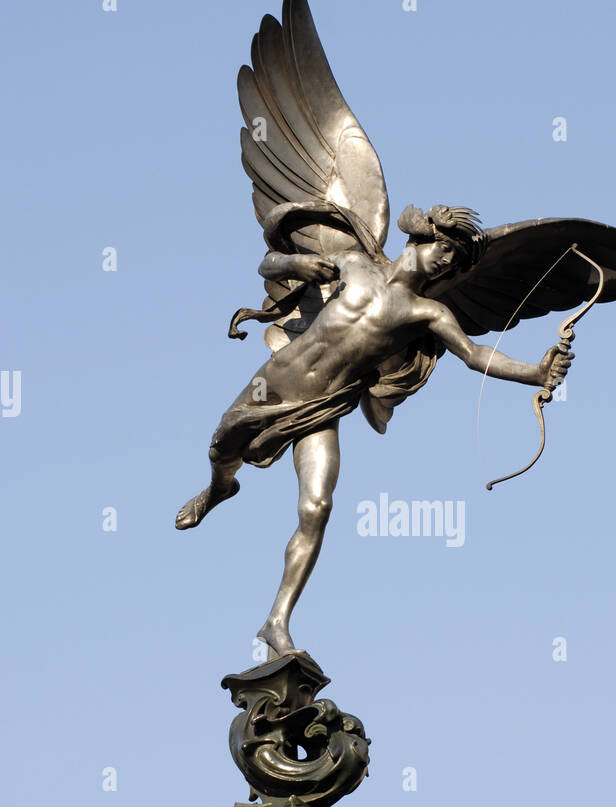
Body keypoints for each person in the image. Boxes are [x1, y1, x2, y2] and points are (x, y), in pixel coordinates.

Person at [176, 205, 570, 657]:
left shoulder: (428, 312)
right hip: (276, 382)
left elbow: (476, 354)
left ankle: (276, 621)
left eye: (456, 261)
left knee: (317, 507)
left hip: (322, 407)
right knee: (222, 449)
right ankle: (218, 490)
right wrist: (297, 264)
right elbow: (268, 262)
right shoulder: (355, 262)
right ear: (422, 238)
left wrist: (535, 373)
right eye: (445, 250)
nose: (446, 263)